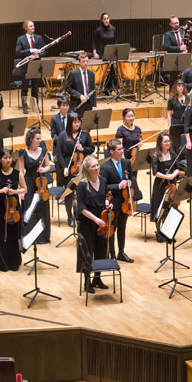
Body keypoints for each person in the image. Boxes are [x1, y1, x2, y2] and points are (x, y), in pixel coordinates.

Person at [100, 139, 141, 262]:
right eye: (119, 149)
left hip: (125, 201)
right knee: (113, 228)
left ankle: (121, 252)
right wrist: (118, 186)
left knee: (122, 227)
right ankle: (112, 254)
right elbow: (104, 187)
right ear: (111, 151)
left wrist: (129, 182)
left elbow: (132, 178)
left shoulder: (126, 163)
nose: (122, 151)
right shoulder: (105, 167)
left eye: (122, 148)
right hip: (114, 202)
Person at [76, 154, 112, 293]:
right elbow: (81, 208)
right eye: (93, 166)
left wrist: (107, 204)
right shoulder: (82, 185)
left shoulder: (102, 180)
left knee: (101, 250)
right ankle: (87, 282)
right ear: (87, 169)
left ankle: (97, 278)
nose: (96, 168)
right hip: (87, 223)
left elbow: (105, 197)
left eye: (97, 165)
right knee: (88, 253)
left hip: (101, 220)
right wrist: (95, 219)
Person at [0, 148, 26, 272]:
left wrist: (14, 191)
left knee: (13, 235)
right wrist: (1, 190)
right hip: (0, 208)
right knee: (2, 234)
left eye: (9, 157)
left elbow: (24, 189)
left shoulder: (17, 173)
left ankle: (14, 262)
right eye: (5, 157)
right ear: (0, 159)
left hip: (14, 208)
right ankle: (3, 263)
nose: (8, 160)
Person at [55, 111, 95, 226]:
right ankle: (69, 216)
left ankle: (81, 215)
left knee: (83, 193)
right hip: (69, 168)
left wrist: (82, 149)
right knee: (69, 194)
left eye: (79, 121)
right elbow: (59, 153)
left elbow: (91, 148)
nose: (77, 124)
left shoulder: (84, 134)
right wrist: (64, 168)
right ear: (70, 123)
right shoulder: (63, 135)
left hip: (82, 169)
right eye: (75, 122)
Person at [18, 127, 52, 244]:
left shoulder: (43, 150)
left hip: (41, 182)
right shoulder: (23, 153)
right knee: (29, 208)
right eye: (37, 139)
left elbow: (48, 165)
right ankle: (29, 237)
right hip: (28, 182)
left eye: (40, 138)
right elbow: (21, 172)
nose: (39, 141)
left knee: (43, 208)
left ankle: (43, 236)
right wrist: (21, 189)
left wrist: (44, 169)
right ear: (31, 139)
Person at [150, 133, 180, 240]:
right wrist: (166, 177)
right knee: (159, 207)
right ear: (160, 143)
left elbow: (177, 168)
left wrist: (172, 175)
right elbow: (155, 172)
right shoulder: (155, 156)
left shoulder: (173, 155)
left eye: (169, 141)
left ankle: (168, 231)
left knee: (170, 207)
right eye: (165, 141)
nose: (168, 143)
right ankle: (158, 231)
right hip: (160, 185)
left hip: (171, 184)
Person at [15, 20, 45, 114]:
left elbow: (44, 50)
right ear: (26, 28)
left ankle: (34, 106)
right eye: (31, 26)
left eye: (33, 26)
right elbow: (18, 52)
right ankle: (24, 106)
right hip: (26, 66)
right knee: (25, 87)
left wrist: (39, 55)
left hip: (36, 65)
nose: (33, 27)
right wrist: (30, 50)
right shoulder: (20, 39)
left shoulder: (38, 38)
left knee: (35, 87)